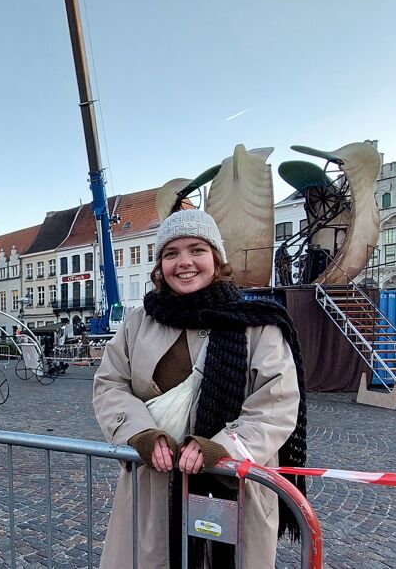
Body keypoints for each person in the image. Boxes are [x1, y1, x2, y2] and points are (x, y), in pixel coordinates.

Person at [92, 209, 307, 568]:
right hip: (155, 487)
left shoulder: (256, 325)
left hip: (233, 484)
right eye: (171, 253)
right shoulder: (138, 323)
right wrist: (141, 432)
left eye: (196, 250)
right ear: (160, 266)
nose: (184, 262)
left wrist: (221, 447)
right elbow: (111, 384)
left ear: (216, 258)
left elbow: (276, 402)